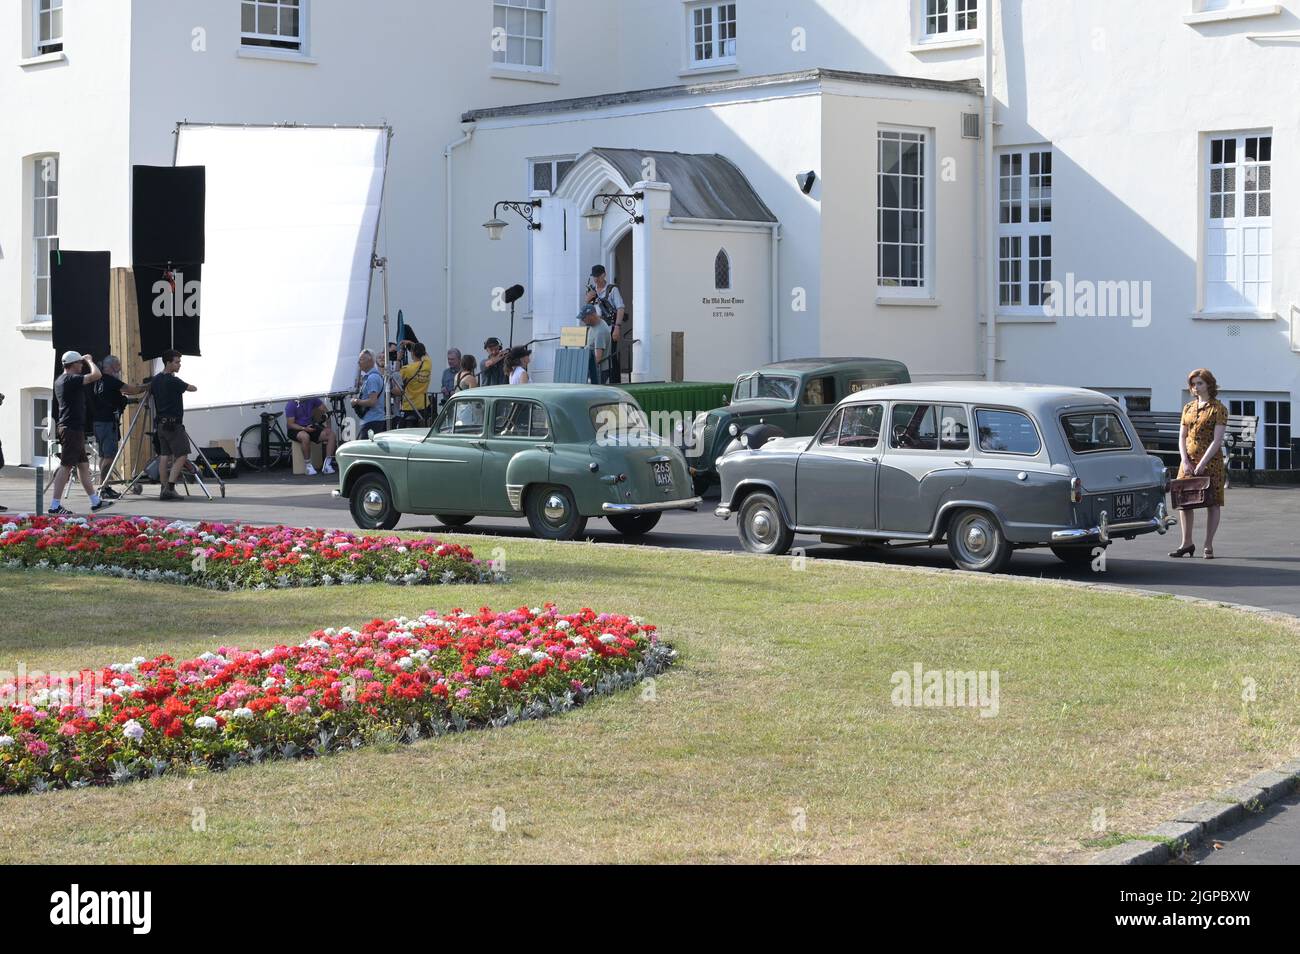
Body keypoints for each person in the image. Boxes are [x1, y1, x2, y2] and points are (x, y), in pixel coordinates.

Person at [1169, 368, 1228, 560]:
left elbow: (1217, 440)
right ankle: (1186, 543)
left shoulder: (1218, 409)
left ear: (1209, 384)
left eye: (1199, 383)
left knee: (1213, 502)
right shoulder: (1188, 408)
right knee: (1183, 502)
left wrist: (1202, 463)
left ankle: (1208, 544)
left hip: (1211, 463)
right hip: (1188, 462)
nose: (1195, 387)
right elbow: (1182, 436)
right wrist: (1184, 460)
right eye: (1193, 384)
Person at [49, 351, 111, 515]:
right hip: (71, 428)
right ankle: (55, 506)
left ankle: (95, 502)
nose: (81, 366)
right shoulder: (70, 379)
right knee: (66, 465)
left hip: (73, 428)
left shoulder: (62, 380)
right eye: (80, 363)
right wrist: (90, 360)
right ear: (73, 364)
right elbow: (96, 375)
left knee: (83, 466)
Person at [89, 355, 146, 498]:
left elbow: (118, 396)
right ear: (112, 367)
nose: (120, 369)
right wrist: (148, 386)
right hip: (108, 423)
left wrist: (131, 401)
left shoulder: (98, 381)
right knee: (109, 456)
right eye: (118, 366)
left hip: (99, 423)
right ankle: (104, 487)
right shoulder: (110, 380)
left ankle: (103, 486)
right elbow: (130, 389)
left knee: (103, 456)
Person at [149, 349, 197, 501]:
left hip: (161, 425)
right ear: (168, 362)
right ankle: (170, 487)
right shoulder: (173, 381)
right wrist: (182, 382)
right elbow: (192, 388)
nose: (179, 365)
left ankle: (163, 489)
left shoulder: (156, 380)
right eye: (177, 362)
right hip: (174, 425)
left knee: (164, 456)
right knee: (182, 455)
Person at [585, 264, 626, 382]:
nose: (596, 279)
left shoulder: (612, 290)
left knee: (611, 355)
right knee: (595, 354)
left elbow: (620, 308)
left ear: (604, 275)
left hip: (609, 327)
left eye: (598, 276)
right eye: (594, 277)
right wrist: (588, 299)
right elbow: (587, 309)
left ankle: (614, 381)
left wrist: (617, 327)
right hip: (595, 328)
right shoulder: (592, 290)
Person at [284, 396, 337, 476]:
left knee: (331, 434)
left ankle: (327, 465)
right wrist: (304, 428)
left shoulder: (311, 398)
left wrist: (328, 427)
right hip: (295, 428)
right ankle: (308, 466)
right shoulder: (291, 404)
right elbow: (290, 424)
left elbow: (325, 411)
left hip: (309, 426)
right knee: (305, 436)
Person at [353, 349, 387, 439]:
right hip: (373, 420)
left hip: (372, 421)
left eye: (361, 359)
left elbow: (372, 401)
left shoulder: (372, 378)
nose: (358, 362)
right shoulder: (372, 377)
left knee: (362, 450)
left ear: (370, 361)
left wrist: (357, 401)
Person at [397, 341, 433, 427]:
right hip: (423, 404)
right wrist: (411, 343)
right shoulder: (428, 364)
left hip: (409, 406)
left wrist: (398, 359)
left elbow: (396, 375)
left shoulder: (407, 369)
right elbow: (426, 354)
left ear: (412, 353)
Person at [580, 304, 612, 384]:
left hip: (598, 370)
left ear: (592, 316)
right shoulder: (595, 324)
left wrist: (583, 369)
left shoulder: (600, 332)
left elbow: (597, 358)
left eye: (584, 318)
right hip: (592, 368)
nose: (582, 320)